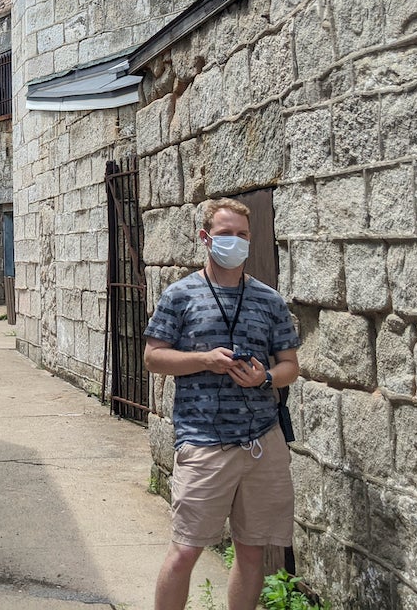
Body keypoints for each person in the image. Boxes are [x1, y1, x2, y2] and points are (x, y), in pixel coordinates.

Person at [143, 198, 300, 610]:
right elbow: (153, 357)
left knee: (252, 552)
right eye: (226, 233)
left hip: (262, 442)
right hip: (203, 442)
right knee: (185, 550)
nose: (235, 241)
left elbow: (290, 366)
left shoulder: (269, 300)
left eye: (242, 235)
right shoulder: (179, 296)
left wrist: (265, 377)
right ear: (206, 237)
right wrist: (205, 360)